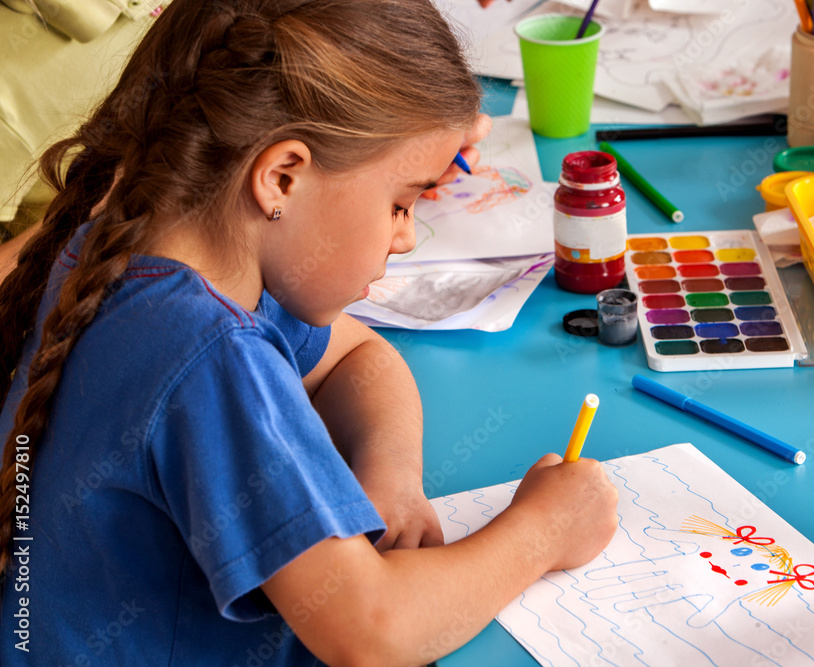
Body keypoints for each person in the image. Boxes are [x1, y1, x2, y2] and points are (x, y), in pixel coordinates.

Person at [0, 1, 619, 665]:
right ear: (282, 176)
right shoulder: (210, 354)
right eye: (401, 203)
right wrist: (543, 531)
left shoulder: (132, 252)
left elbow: (361, 357)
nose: (406, 237)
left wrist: (392, 480)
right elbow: (370, 631)